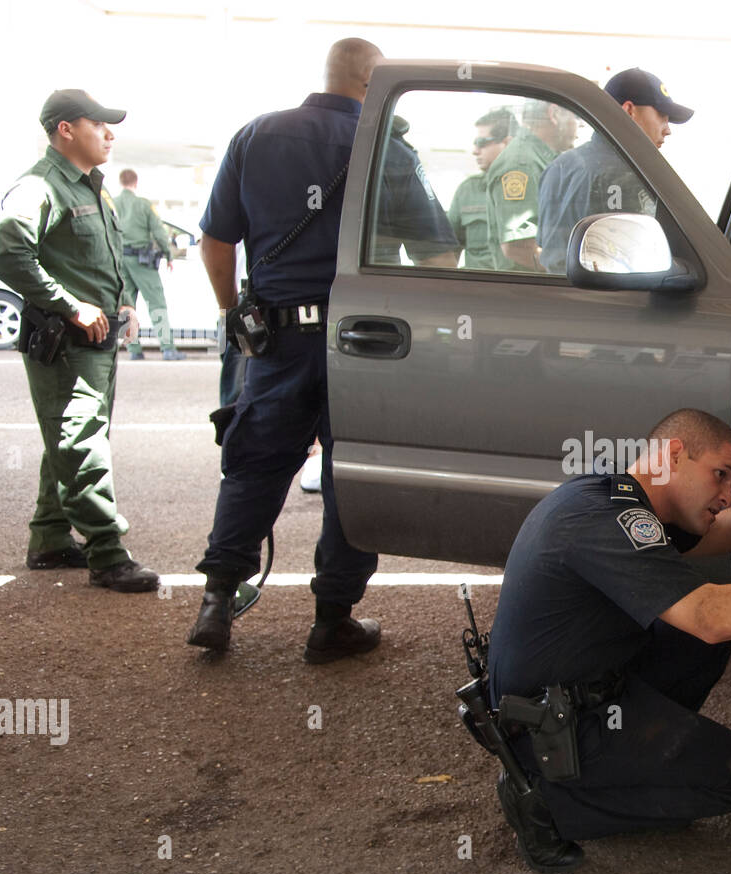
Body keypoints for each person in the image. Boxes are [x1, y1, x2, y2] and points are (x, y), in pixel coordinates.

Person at [185, 38, 456, 661]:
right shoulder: (388, 147)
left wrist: (235, 313)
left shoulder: (255, 136)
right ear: (372, 80)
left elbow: (216, 241)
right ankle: (332, 619)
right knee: (349, 474)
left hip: (276, 336)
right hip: (363, 344)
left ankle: (218, 601)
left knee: (255, 464)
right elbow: (440, 255)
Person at [486, 408, 731, 871]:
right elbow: (709, 616)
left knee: (697, 643)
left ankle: (633, 769)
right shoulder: (606, 520)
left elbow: (720, 534)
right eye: (720, 477)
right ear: (674, 455)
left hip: (578, 694)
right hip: (552, 730)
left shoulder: (616, 499)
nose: (726, 496)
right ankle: (548, 800)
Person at [0, 89, 159, 592]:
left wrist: (121, 300)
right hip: (65, 340)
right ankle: (108, 553)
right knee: (81, 443)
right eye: (98, 124)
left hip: (95, 339)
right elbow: (7, 256)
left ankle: (48, 538)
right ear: (66, 129)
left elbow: (104, 256)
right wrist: (71, 304)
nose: (110, 134)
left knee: (72, 437)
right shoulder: (40, 186)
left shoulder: (90, 187)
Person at [537, 68, 693, 274]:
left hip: (556, 296)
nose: (667, 129)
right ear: (629, 110)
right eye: (662, 115)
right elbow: (637, 260)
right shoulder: (628, 174)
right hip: (607, 301)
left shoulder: (560, 165)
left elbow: (545, 246)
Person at [483, 100, 577, 271]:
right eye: (575, 117)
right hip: (529, 291)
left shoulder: (540, 159)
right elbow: (518, 247)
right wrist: (571, 271)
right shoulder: (522, 164)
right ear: (554, 114)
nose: (578, 127)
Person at [115, 168, 184, 361]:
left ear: (121, 182)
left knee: (125, 305)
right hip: (141, 261)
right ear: (135, 183)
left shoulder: (111, 203)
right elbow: (159, 232)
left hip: (120, 260)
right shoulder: (143, 205)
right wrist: (169, 254)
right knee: (156, 303)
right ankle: (168, 348)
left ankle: (133, 350)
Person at [445, 109, 517, 270]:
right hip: (478, 291)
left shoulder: (537, 187)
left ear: (507, 143)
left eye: (482, 143)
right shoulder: (467, 191)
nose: (475, 150)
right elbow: (449, 253)